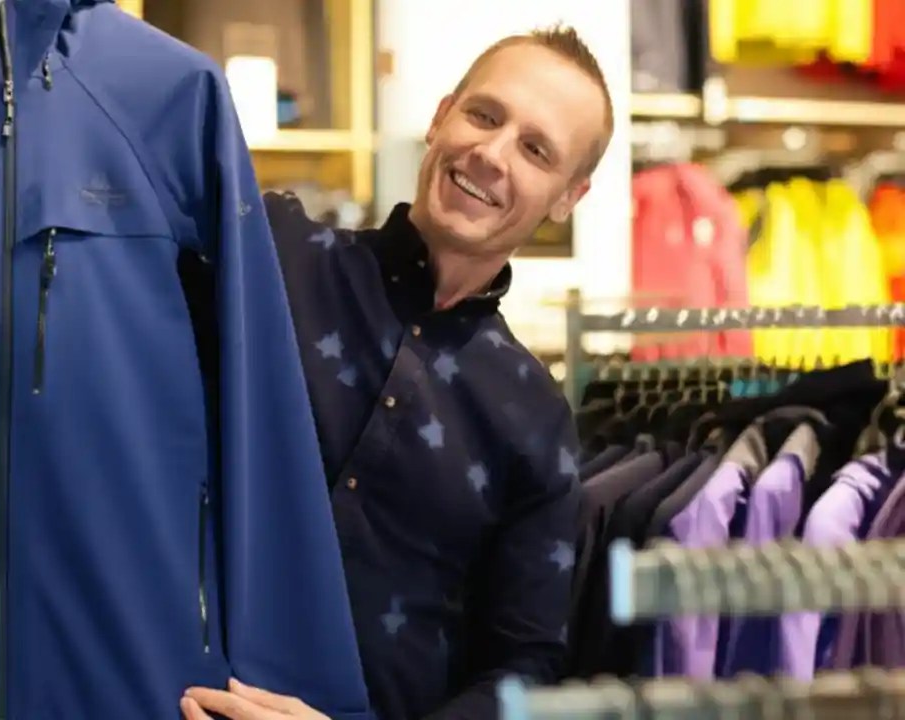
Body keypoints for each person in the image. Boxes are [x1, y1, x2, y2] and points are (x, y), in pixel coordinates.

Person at [181, 24, 615, 720]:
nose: (492, 153)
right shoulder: (269, 255)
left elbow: (526, 666)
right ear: (443, 116)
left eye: (536, 150)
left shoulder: (534, 416)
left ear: (569, 195)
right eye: (484, 115)